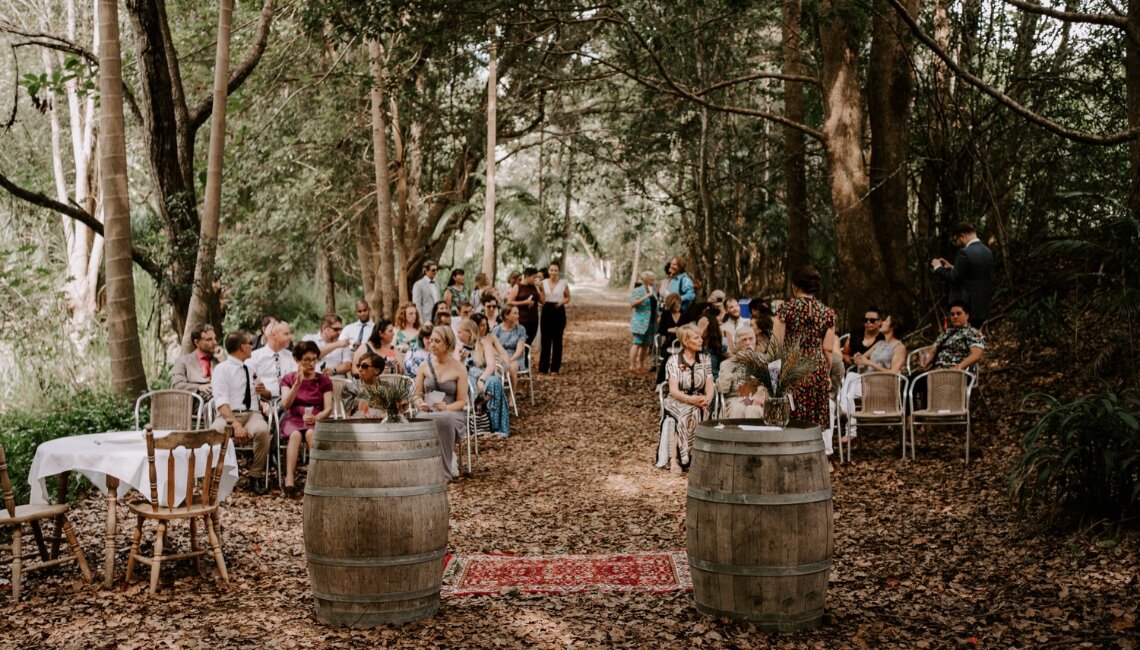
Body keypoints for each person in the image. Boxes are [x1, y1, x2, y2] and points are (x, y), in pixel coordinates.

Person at [772, 265, 837, 455]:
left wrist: (774, 380)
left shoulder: (786, 309)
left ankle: (792, 457)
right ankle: (815, 459)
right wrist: (826, 374)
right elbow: (828, 350)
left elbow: (776, 346)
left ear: (794, 286)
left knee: (793, 417)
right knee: (815, 419)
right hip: (816, 368)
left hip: (793, 367)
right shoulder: (827, 313)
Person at [209, 331, 271, 495]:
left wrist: (264, 392)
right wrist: (235, 424)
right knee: (214, 433)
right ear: (242, 347)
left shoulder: (251, 366)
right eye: (250, 343)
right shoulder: (221, 369)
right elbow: (221, 402)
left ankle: (255, 475)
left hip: (252, 414)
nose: (252, 346)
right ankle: (216, 476)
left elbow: (266, 394)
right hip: (228, 415)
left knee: (263, 431)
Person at [655, 324, 715, 474]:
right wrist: (691, 400)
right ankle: (677, 459)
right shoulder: (674, 361)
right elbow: (674, 391)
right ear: (686, 341)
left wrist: (708, 399)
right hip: (677, 400)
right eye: (696, 338)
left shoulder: (705, 359)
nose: (701, 340)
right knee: (685, 413)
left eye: (700, 337)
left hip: (698, 399)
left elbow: (710, 383)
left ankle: (695, 456)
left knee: (698, 410)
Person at [839, 314, 908, 442]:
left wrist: (870, 363)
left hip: (884, 388)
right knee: (851, 378)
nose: (881, 323)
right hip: (868, 385)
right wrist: (858, 357)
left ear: (893, 326)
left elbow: (893, 372)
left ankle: (844, 415)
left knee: (848, 386)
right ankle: (847, 420)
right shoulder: (880, 343)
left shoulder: (899, 347)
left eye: (886, 321)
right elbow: (860, 359)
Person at [413, 326, 468, 480]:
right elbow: (416, 396)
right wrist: (420, 404)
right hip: (428, 412)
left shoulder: (459, 368)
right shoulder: (424, 367)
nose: (433, 345)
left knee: (446, 418)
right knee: (418, 418)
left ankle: (444, 473)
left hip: (452, 413)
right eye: (431, 341)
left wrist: (446, 407)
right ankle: (423, 470)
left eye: (437, 341)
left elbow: (462, 401)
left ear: (448, 344)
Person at [279, 340, 333, 497]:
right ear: (298, 360)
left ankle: (317, 478)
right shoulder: (288, 379)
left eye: (314, 359)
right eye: (307, 360)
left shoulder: (323, 380)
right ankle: (289, 479)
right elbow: (286, 404)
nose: (311, 363)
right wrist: (297, 384)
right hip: (294, 416)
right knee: (295, 435)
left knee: (310, 434)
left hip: (315, 416)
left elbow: (328, 408)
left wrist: (317, 418)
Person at [932, 222, 994, 328]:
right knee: (975, 339)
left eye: (956, 240)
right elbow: (973, 273)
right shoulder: (987, 251)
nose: (957, 243)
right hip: (981, 307)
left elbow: (953, 278)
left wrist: (938, 268)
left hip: (965, 309)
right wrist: (953, 268)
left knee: (963, 341)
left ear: (962, 236)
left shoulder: (965, 253)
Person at [458, 317, 509, 437]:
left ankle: (496, 427)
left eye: (460, 332)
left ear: (469, 332)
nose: (457, 334)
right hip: (469, 382)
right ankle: (471, 425)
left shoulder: (484, 344)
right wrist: (461, 359)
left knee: (493, 381)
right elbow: (459, 371)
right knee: (463, 383)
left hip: (485, 379)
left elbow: (491, 366)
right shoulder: (459, 348)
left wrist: (481, 380)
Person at [717, 324, 766, 419]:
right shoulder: (728, 363)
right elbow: (723, 389)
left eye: (751, 339)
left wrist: (760, 398)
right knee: (738, 408)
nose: (748, 343)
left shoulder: (763, 362)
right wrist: (731, 364)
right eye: (744, 340)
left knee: (752, 409)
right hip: (734, 400)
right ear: (736, 344)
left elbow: (769, 388)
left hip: (757, 400)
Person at [249, 319, 297, 400]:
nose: (290, 337)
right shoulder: (254, 357)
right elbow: (249, 385)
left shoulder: (291, 356)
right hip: (263, 401)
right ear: (274, 335)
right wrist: (262, 404)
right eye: (286, 334)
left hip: (289, 400)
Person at [539, 262, 571, 374]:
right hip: (547, 309)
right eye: (551, 270)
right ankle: (543, 367)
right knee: (545, 340)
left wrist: (561, 302)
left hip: (558, 310)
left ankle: (554, 368)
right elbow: (542, 299)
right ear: (548, 271)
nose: (553, 272)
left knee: (557, 340)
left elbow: (568, 297)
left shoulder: (563, 283)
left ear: (558, 271)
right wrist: (539, 292)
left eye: (555, 270)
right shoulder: (543, 283)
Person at [172, 323, 219, 399]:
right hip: (196, 402)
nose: (215, 343)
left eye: (214, 338)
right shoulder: (183, 361)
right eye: (209, 339)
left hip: (220, 398)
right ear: (197, 342)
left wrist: (223, 361)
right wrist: (199, 387)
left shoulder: (218, 360)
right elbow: (176, 385)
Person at [492, 304, 528, 390]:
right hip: (500, 357)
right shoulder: (496, 330)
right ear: (506, 315)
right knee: (494, 368)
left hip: (515, 357)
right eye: (515, 313)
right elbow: (492, 347)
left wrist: (509, 360)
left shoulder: (520, 329)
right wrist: (500, 358)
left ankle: (512, 396)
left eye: (518, 313)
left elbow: (519, 350)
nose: (518, 316)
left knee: (512, 367)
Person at [629, 271, 657, 374]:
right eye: (651, 279)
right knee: (637, 343)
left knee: (646, 345)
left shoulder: (652, 291)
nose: (653, 281)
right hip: (640, 322)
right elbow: (632, 304)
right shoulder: (638, 290)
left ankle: (640, 365)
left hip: (651, 322)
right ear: (646, 280)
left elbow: (654, 305)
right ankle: (632, 365)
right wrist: (645, 297)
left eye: (653, 279)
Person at [656, 293, 686, 384]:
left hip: (683, 344)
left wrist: (681, 330)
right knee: (669, 356)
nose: (678, 307)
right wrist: (670, 330)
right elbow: (660, 330)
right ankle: (660, 382)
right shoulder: (666, 314)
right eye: (676, 306)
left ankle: (683, 382)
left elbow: (689, 328)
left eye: (679, 305)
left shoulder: (684, 314)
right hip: (668, 344)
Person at [508, 267, 543, 345]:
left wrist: (541, 288)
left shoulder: (535, 287)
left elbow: (543, 301)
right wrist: (525, 302)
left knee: (528, 343)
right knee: (521, 343)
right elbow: (509, 302)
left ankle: (527, 357)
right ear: (527, 276)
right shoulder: (518, 286)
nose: (535, 279)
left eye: (537, 278)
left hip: (534, 320)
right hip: (521, 320)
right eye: (534, 277)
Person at [343, 351, 383, 417]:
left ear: (376, 370)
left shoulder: (386, 387)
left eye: (364, 366)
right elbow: (346, 416)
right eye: (359, 366)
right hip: (359, 423)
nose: (359, 369)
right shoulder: (351, 387)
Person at [412, 260, 441, 329]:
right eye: (433, 270)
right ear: (425, 271)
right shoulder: (418, 284)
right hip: (426, 319)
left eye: (436, 270)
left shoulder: (436, 283)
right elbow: (417, 304)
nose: (435, 272)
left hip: (437, 318)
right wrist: (421, 322)